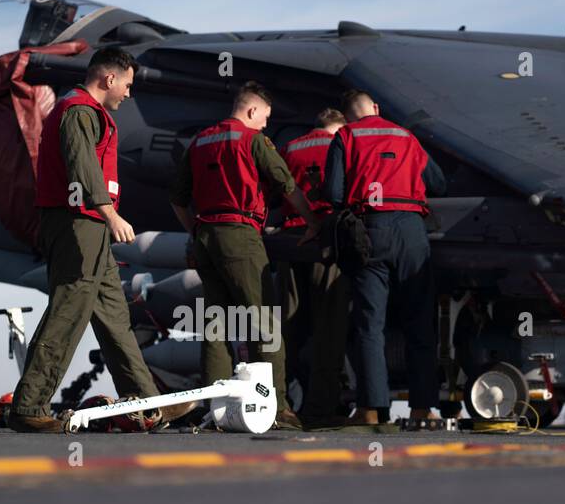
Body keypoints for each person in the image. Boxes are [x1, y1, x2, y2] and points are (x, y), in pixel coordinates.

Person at [7, 46, 195, 433]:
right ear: (109, 79)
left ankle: (147, 403)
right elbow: (82, 167)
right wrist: (108, 212)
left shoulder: (88, 112)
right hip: (79, 223)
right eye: (126, 84)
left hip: (88, 225)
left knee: (114, 317)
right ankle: (29, 406)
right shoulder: (78, 111)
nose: (128, 93)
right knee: (68, 310)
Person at [170, 81, 311, 430]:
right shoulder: (252, 140)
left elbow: (177, 198)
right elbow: (286, 185)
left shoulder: (199, 141)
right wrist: (314, 223)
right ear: (251, 111)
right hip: (240, 234)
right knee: (264, 324)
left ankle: (217, 410)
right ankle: (277, 408)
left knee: (216, 326)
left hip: (204, 237)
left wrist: (196, 231)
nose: (265, 124)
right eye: (264, 116)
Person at [322, 89, 446, 425]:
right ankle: (423, 409)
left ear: (348, 117)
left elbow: (333, 194)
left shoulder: (346, 136)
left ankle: (372, 410)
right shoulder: (406, 136)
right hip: (411, 231)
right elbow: (438, 182)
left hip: (369, 232)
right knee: (419, 322)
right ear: (376, 107)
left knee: (369, 326)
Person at [277, 108, 350, 425]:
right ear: (339, 128)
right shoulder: (344, 143)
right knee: (329, 328)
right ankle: (322, 408)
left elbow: (276, 189)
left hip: (292, 241)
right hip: (327, 242)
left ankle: (280, 403)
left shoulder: (291, 147)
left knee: (288, 328)